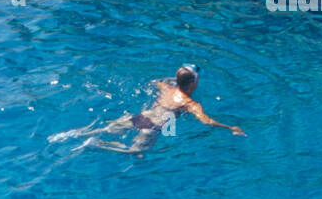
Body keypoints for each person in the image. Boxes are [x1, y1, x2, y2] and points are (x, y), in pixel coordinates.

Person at [49, 64, 245, 155]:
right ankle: (97, 144)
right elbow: (206, 121)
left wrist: (173, 79)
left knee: (104, 128)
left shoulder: (167, 87)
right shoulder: (191, 103)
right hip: (153, 126)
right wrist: (230, 127)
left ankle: (73, 134)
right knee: (133, 151)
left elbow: (156, 81)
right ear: (193, 83)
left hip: (141, 116)